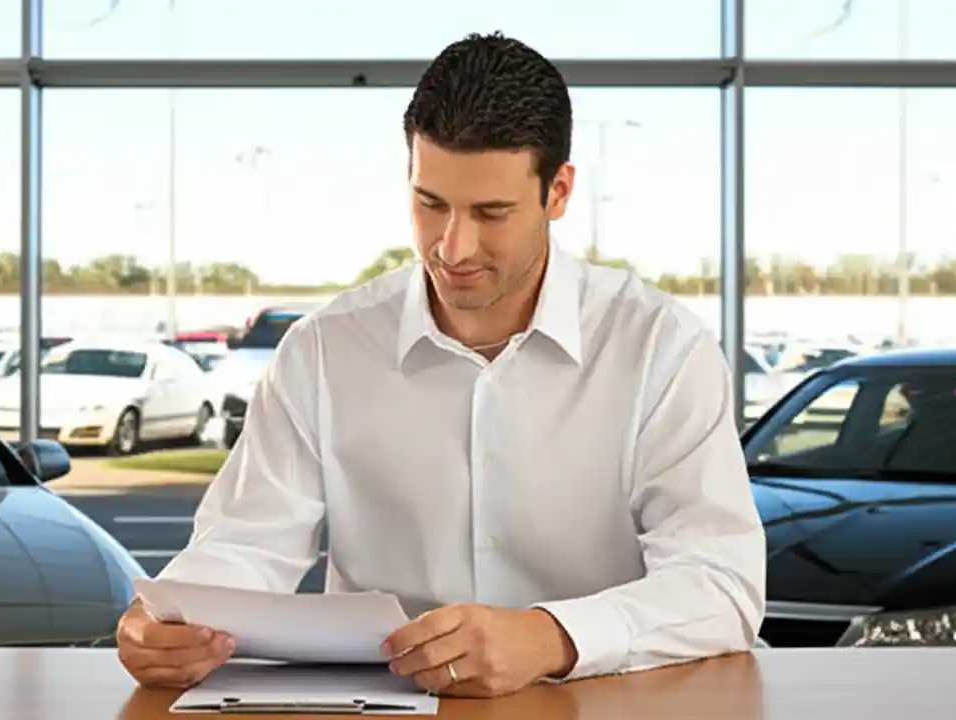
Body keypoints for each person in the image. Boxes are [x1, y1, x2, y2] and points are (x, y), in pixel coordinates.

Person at [116, 31, 766, 698]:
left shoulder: (661, 348)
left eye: (492, 213)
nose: (454, 246)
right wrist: (175, 618)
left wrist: (550, 637)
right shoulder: (325, 349)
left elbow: (722, 582)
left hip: (598, 704)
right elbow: (249, 543)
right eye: (431, 204)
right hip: (383, 705)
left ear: (559, 192)